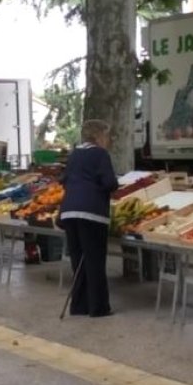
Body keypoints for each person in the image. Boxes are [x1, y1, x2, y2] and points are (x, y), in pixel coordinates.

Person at [58, 119, 119, 318]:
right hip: (92, 213)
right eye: (107, 136)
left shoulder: (75, 154)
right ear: (99, 136)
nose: (108, 140)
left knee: (78, 260)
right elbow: (109, 182)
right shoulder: (100, 154)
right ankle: (98, 307)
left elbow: (64, 179)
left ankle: (79, 305)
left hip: (68, 212)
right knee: (94, 261)